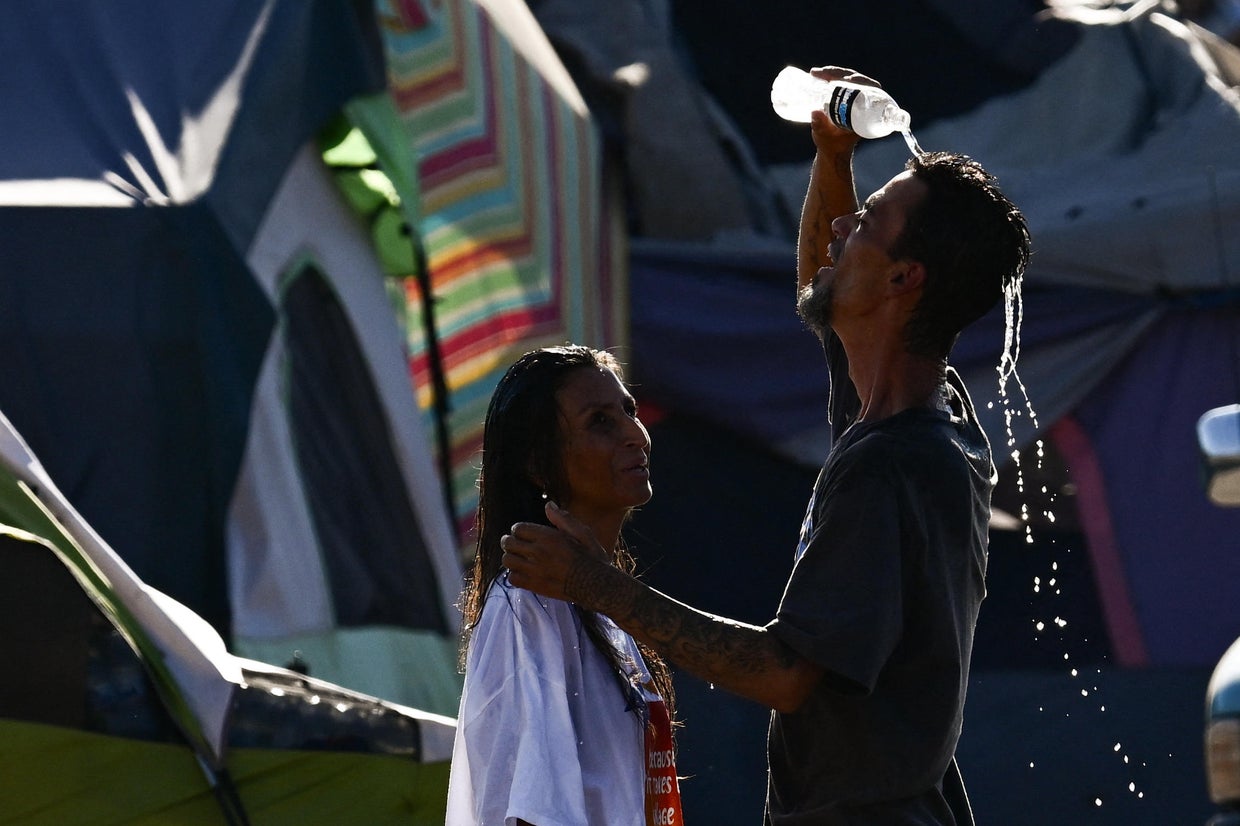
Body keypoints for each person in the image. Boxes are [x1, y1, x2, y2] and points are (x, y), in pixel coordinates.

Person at [500, 66, 1031, 825]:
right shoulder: (915, 411)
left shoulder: (891, 465)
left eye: (868, 224)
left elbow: (783, 673)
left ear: (903, 279)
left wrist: (594, 582)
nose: (843, 229)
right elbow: (828, 282)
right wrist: (833, 158)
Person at [445, 345, 683, 826]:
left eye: (628, 411)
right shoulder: (528, 607)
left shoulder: (606, 608)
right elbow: (530, 811)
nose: (635, 435)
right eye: (600, 421)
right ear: (538, 466)